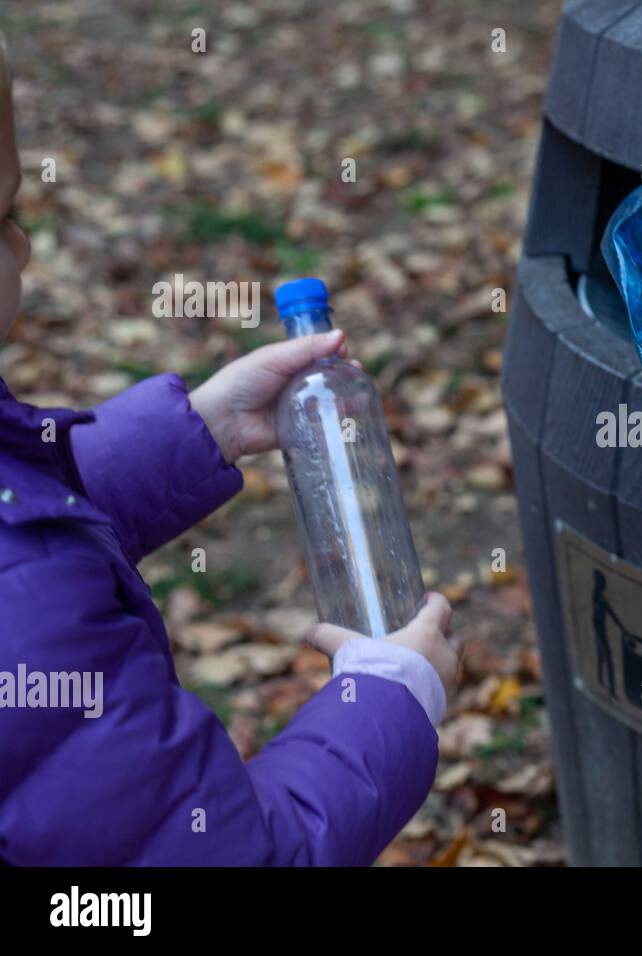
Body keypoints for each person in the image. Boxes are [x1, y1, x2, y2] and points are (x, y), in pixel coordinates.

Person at [0, 30, 458, 865]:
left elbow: (24, 513)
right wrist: (393, 700)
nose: (24, 244)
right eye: (3, 216)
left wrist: (196, 432)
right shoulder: (25, 631)